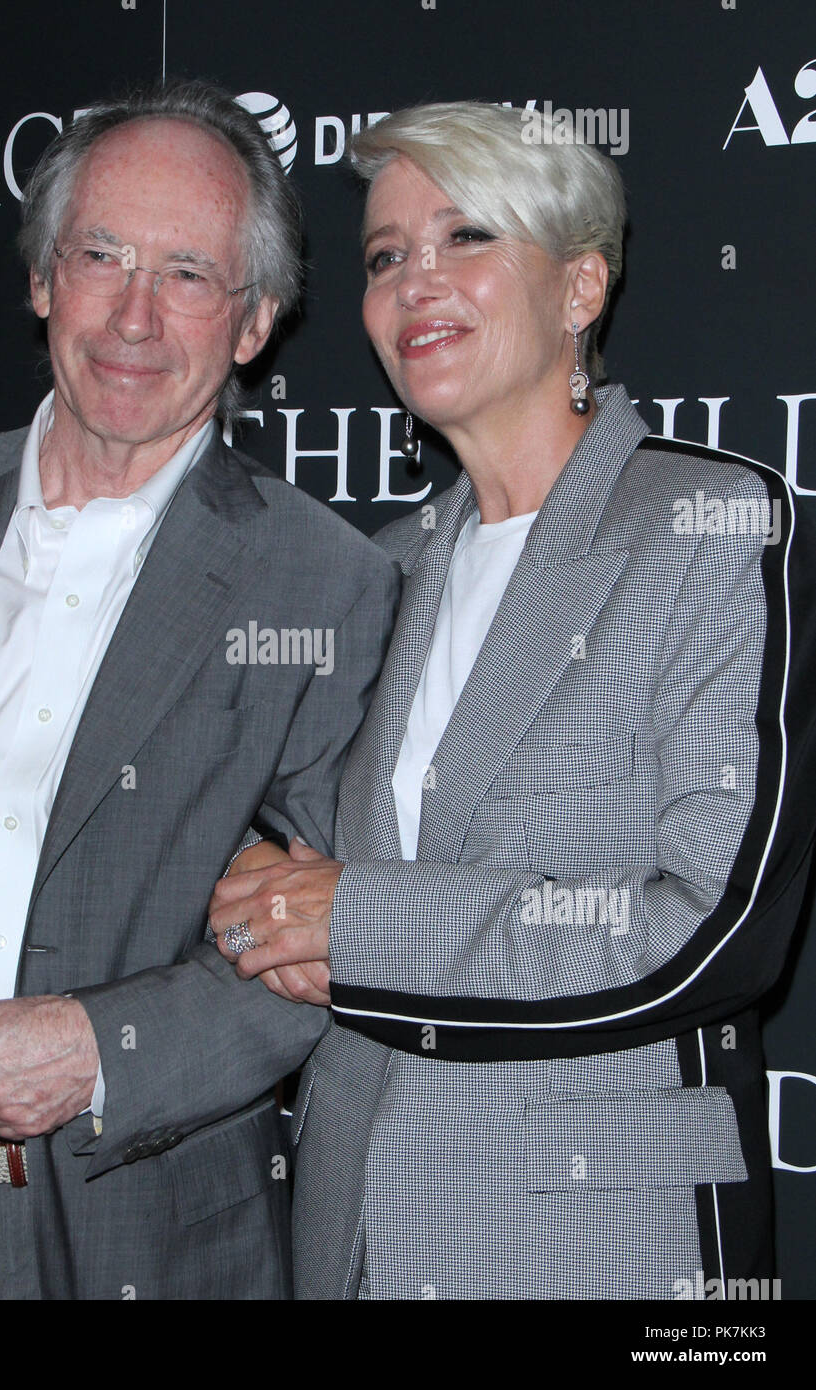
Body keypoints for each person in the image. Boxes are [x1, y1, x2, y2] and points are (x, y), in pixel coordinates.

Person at [0, 80, 398, 1300]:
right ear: (44, 279)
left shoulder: (324, 584)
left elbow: (319, 950)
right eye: (100, 255)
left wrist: (103, 1047)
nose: (133, 316)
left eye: (188, 274)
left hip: (124, 1237)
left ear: (252, 322)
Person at [209, 100, 816, 1299]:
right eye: (385, 255)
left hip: (592, 1246)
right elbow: (269, 858)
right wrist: (250, 906)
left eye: (466, 236)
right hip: (349, 1231)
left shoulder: (705, 526)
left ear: (580, 286)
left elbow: (715, 926)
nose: (414, 282)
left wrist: (355, 918)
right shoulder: (378, 570)